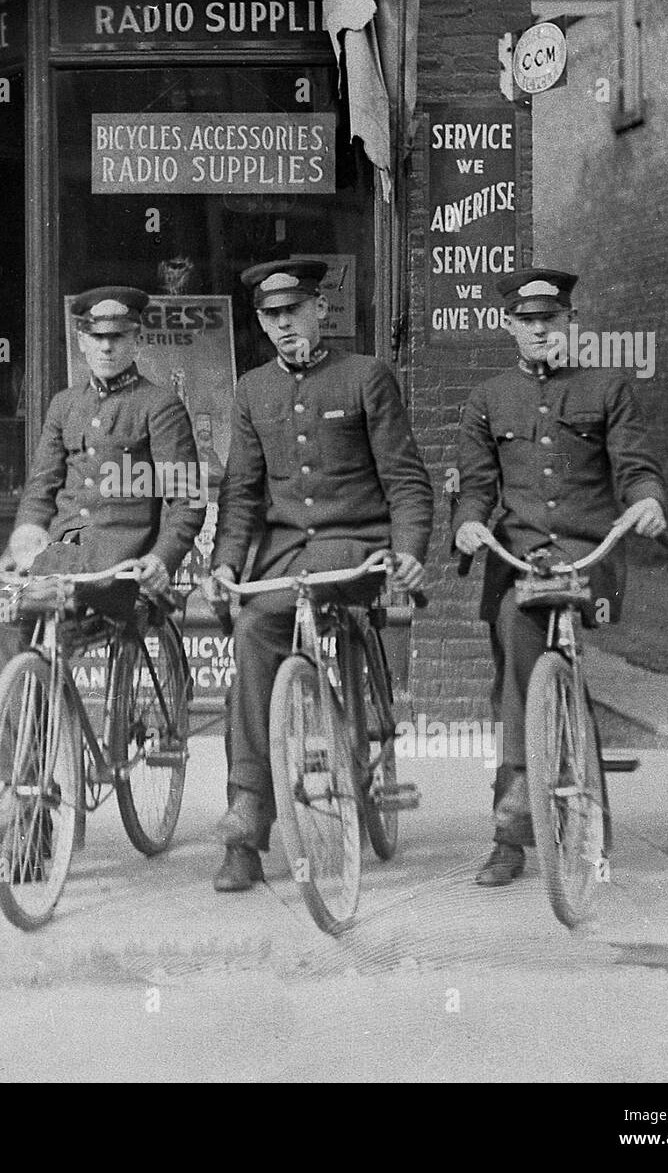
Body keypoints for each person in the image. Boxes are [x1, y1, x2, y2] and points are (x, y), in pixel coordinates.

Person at [0, 285, 206, 889]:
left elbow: (184, 501)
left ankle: (28, 822)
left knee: (46, 624)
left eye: (117, 337)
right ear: (80, 340)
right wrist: (22, 544)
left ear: (135, 340)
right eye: (95, 338)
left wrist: (162, 559)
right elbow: (40, 492)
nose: (105, 347)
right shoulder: (64, 405)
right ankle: (28, 801)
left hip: (119, 567)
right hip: (59, 558)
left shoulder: (160, 407)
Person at [204, 260, 434, 892]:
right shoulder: (252, 390)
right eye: (270, 317)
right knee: (253, 629)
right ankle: (248, 816)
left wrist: (409, 548)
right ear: (260, 323)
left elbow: (406, 480)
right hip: (283, 559)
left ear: (319, 312)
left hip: (354, 548)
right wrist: (226, 561)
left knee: (287, 607)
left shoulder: (365, 377)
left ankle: (332, 736)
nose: (283, 326)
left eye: (293, 312)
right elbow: (243, 494)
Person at [452, 268, 667, 886]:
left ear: (569, 323)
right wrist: (469, 524)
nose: (540, 330)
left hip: (588, 555)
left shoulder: (607, 388)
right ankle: (513, 826)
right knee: (517, 637)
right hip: (519, 555)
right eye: (528, 321)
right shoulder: (487, 399)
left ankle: (533, 797)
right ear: (509, 327)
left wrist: (647, 501)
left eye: (552, 319)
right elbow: (477, 487)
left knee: (541, 649)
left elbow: (634, 466)